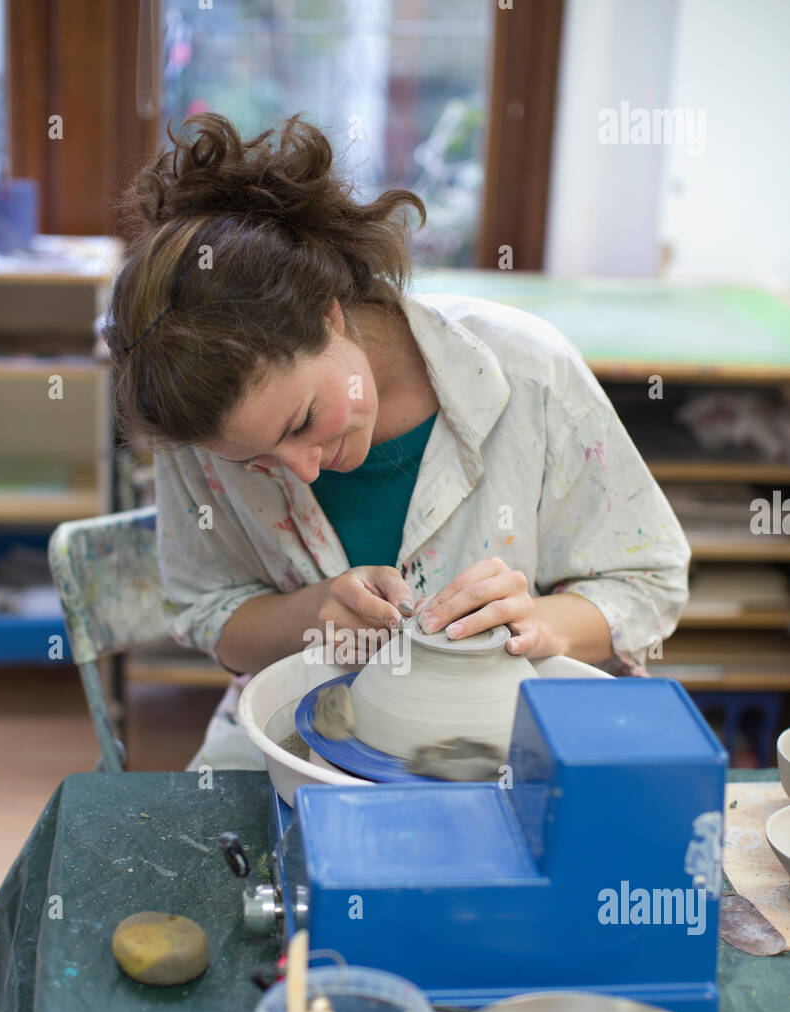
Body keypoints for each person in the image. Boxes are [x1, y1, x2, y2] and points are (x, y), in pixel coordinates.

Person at [104, 112, 690, 769]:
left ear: (330, 315)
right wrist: (313, 617)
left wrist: (540, 622)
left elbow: (649, 580)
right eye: (253, 462)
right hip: (319, 722)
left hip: (517, 727)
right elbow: (211, 616)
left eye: (300, 422)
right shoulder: (203, 427)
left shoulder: (526, 369)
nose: (297, 470)